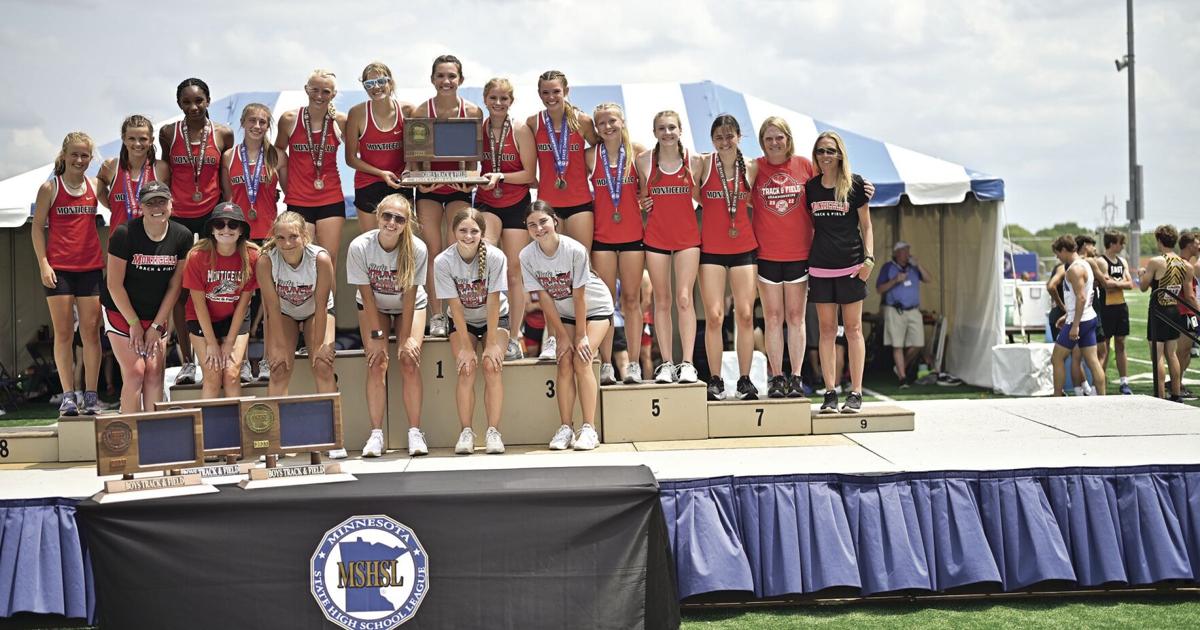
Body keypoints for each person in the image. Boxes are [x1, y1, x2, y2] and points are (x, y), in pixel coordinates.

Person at [158, 78, 235, 386]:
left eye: (199, 100)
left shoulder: (222, 134)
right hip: (178, 218)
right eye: (187, 102)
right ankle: (188, 361)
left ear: (208, 100)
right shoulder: (168, 134)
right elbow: (166, 171)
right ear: (179, 104)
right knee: (179, 291)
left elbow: (225, 176)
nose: (193, 107)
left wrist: (229, 216)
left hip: (210, 218)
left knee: (216, 287)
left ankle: (219, 353)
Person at [520, 200, 613, 450]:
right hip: (564, 313)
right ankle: (565, 428)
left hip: (594, 309)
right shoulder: (526, 256)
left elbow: (580, 295)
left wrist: (580, 336)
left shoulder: (574, 250)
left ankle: (589, 429)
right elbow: (545, 298)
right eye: (532, 225)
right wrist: (560, 335)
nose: (539, 228)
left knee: (583, 359)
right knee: (563, 359)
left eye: (543, 222)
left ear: (554, 221)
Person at [346, 194, 429, 457]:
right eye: (387, 216)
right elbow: (367, 296)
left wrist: (405, 340)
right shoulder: (360, 246)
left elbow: (410, 296)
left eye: (399, 218)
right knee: (377, 361)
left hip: (409, 305)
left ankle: (415, 432)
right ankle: (376, 435)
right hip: (374, 306)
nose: (392, 223)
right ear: (378, 215)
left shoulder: (417, 249)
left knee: (408, 359)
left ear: (407, 223)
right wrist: (378, 337)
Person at [410, 55, 484, 339]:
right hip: (428, 191)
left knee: (458, 250)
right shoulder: (421, 111)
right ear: (432, 79)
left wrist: (468, 180)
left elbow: (474, 154)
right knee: (432, 251)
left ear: (461, 80)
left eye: (451, 76)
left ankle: (457, 313)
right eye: (441, 76)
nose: (446, 81)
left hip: (459, 189)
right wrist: (420, 180)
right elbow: (414, 153)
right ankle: (437, 315)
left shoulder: (473, 110)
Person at [102, 181, 192, 412]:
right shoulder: (124, 234)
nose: (157, 207)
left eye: (162, 201)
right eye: (150, 202)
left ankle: (153, 436)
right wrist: (134, 323)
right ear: (140, 206)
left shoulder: (182, 236)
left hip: (155, 314)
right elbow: (114, 285)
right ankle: (130, 436)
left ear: (171, 204)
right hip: (121, 312)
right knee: (135, 372)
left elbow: (175, 286)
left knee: (153, 373)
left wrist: (156, 325)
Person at [32, 132, 105, 416]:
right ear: (64, 155)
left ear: (90, 158)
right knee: (63, 334)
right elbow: (37, 227)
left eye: (84, 155)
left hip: (90, 268)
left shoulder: (95, 185)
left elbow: (120, 204)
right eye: (74, 154)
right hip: (60, 270)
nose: (79, 160)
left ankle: (90, 395)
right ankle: (67, 396)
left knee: (91, 334)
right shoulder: (49, 188)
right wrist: (43, 264)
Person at [434, 208, 510, 454]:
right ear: (453, 232)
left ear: (482, 233)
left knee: (491, 365)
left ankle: (493, 431)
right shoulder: (443, 261)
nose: (468, 236)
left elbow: (493, 301)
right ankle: (466, 432)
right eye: (463, 230)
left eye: (474, 231)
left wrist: (490, 345)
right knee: (466, 369)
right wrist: (467, 347)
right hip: (462, 320)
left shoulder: (496, 257)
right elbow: (454, 305)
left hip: (494, 317)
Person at [807, 131, 873, 414]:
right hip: (821, 267)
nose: (825, 156)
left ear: (840, 154)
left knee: (854, 329)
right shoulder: (810, 188)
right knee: (826, 331)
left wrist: (869, 259)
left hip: (851, 266)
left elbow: (867, 226)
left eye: (830, 151)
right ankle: (830, 392)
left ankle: (855, 392)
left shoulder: (856, 185)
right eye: (821, 151)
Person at [752, 116, 817, 398]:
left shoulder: (805, 165)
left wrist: (861, 189)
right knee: (773, 317)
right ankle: (776, 377)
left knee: (795, 317)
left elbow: (832, 187)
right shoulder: (755, 168)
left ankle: (797, 377)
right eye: (769, 138)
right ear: (762, 142)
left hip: (799, 254)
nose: (775, 143)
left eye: (780, 137)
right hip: (766, 254)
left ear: (788, 139)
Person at [636, 110, 702, 384]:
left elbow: (704, 197)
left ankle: (687, 363)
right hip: (657, 238)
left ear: (680, 130)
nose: (667, 133)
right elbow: (641, 195)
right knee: (661, 300)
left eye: (671, 127)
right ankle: (666, 363)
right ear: (654, 132)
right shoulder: (643, 161)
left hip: (688, 238)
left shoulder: (696, 161)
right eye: (661, 128)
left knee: (684, 298)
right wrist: (642, 202)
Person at [223, 102, 287, 383]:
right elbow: (227, 200)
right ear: (243, 122)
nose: (258, 126)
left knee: (268, 301)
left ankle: (265, 361)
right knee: (241, 300)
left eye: (263, 121)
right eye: (253, 120)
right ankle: (243, 360)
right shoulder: (228, 157)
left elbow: (289, 194)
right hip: (240, 237)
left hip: (269, 236)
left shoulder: (277, 157)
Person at [697, 115, 759, 401]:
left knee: (745, 315)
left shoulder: (752, 168)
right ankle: (715, 379)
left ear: (739, 136)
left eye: (729, 136)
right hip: (710, 249)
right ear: (712, 140)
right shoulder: (703, 164)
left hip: (744, 248)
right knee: (714, 316)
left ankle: (745, 379)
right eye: (719, 137)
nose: (724, 141)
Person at [475, 77, 537, 361]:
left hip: (516, 203)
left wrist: (501, 176)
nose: (498, 104)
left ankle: (514, 335)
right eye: (493, 98)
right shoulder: (479, 128)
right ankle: (486, 328)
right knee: (485, 258)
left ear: (511, 101)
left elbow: (529, 175)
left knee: (514, 270)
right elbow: (466, 161)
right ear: (485, 99)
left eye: (504, 99)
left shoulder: (522, 130)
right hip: (488, 200)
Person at [587, 103, 646, 385]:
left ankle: (633, 364)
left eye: (612, 121)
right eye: (601, 123)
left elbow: (653, 188)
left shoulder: (639, 152)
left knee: (632, 301)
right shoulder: (590, 156)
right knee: (606, 304)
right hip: (603, 238)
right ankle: (607, 364)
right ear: (596, 128)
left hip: (634, 236)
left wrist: (648, 199)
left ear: (622, 121)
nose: (607, 127)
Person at [181, 203, 259, 400]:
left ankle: (237, 430)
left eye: (233, 224)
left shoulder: (252, 256)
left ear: (241, 230)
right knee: (213, 375)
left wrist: (229, 342)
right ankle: (208, 430)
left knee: (232, 375)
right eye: (219, 224)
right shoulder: (197, 256)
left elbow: (244, 304)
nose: (226, 229)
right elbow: (198, 305)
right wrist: (212, 343)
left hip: (234, 318)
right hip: (202, 319)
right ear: (212, 229)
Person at [255, 211, 336, 398]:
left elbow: (321, 305)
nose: (287, 244)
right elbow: (272, 308)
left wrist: (317, 348)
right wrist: (280, 349)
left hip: (316, 312)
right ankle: (275, 425)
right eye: (281, 238)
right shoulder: (266, 261)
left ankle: (331, 424)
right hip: (284, 313)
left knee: (322, 364)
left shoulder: (320, 259)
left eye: (293, 237)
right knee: (278, 368)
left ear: (304, 236)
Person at [275, 69, 348, 268]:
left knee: (328, 259)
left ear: (333, 94)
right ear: (306, 89)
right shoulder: (289, 119)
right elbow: (278, 154)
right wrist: (285, 185)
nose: (319, 96)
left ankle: (328, 301)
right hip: (299, 199)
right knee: (301, 259)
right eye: (314, 89)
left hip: (331, 197)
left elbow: (358, 151)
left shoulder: (340, 121)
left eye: (325, 91)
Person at [526, 70, 598, 251]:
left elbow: (600, 151)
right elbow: (526, 157)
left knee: (582, 262)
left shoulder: (582, 120)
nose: (551, 97)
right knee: (553, 265)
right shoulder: (533, 123)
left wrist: (585, 168)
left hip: (579, 202)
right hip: (547, 205)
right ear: (539, 94)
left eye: (556, 91)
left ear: (566, 90)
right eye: (545, 92)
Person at [345, 61, 414, 235]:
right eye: (369, 83)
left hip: (400, 182)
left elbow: (417, 150)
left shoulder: (408, 110)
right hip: (368, 182)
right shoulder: (357, 113)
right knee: (371, 243)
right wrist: (381, 173)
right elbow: (351, 158)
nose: (376, 87)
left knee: (402, 243)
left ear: (391, 83)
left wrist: (408, 170)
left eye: (381, 81)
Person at [1138, 225, 1195, 402]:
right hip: (1174, 310)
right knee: (1172, 355)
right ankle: (1176, 394)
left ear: (1159, 241)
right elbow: (1189, 294)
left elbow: (1143, 287)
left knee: (1158, 356)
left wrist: (1142, 274)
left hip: (1158, 310)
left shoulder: (1156, 261)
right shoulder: (1186, 265)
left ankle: (1160, 396)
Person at [1049, 235, 1106, 396]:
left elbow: (1081, 297)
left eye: (1058, 253)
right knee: (1093, 361)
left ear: (1065, 250)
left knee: (1057, 358)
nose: (1057, 257)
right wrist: (1067, 316)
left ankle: (1057, 395)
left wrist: (1074, 324)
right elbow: (1080, 298)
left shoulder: (1074, 269)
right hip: (1087, 317)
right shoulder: (1085, 264)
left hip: (1080, 321)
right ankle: (1102, 397)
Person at [875, 241, 932, 388]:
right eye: (903, 251)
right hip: (895, 310)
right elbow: (879, 289)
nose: (907, 254)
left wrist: (918, 264)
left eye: (908, 251)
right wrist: (895, 281)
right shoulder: (888, 267)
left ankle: (901, 366)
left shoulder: (913, 267)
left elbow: (928, 279)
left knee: (918, 343)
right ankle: (902, 377)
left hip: (913, 310)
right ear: (896, 253)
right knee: (897, 345)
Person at [97, 114, 157, 233]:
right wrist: (112, 205)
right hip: (118, 244)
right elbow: (98, 190)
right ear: (124, 139)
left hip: (151, 245)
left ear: (151, 140)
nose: (137, 144)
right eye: (132, 138)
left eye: (143, 139)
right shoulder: (110, 166)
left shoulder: (160, 169)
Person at [1098, 230, 1134, 394]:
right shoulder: (1102, 261)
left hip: (1121, 307)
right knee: (1104, 347)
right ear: (1112, 243)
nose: (1122, 245)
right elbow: (1106, 285)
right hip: (1106, 308)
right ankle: (1100, 381)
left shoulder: (1122, 261)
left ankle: (1124, 382)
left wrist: (1115, 283)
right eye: (1121, 242)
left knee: (1121, 343)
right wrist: (1120, 283)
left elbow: (1130, 284)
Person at [1174, 231, 1200, 399]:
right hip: (1185, 311)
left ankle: (1178, 382)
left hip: (1189, 313)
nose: (1198, 246)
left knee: (1186, 351)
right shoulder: (1184, 264)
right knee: (1182, 351)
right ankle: (1176, 384)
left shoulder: (1185, 263)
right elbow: (1189, 295)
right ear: (1189, 245)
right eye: (1197, 243)